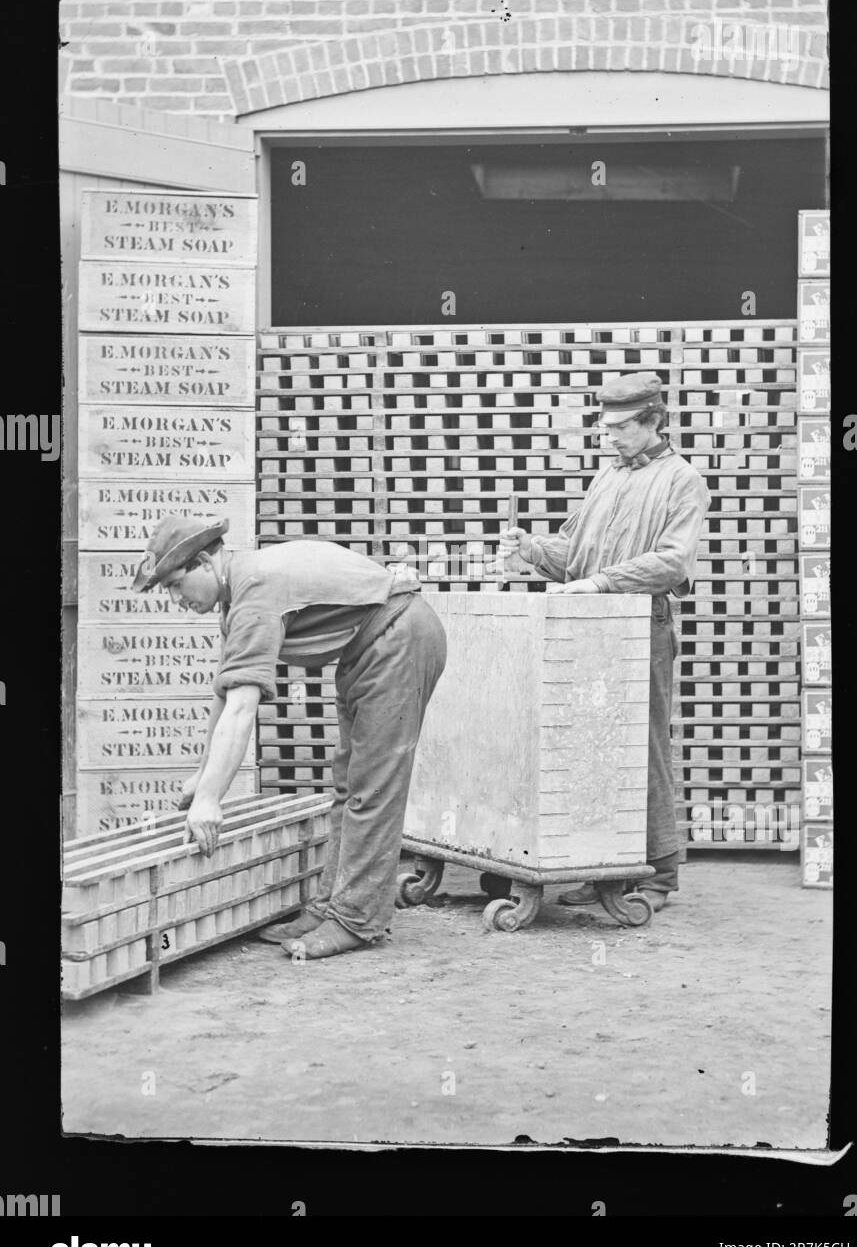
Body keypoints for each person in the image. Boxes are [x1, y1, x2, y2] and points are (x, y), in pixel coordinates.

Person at [131, 517, 446, 960]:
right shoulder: (241, 589)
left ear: (204, 561)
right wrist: (201, 780)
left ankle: (356, 919)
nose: (176, 598)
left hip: (398, 638)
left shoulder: (254, 596)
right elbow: (225, 694)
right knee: (349, 786)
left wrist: (210, 802)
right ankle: (329, 908)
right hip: (373, 644)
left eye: (176, 585)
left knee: (373, 787)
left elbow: (243, 708)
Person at [498, 372, 710, 912]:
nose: (608, 435)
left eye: (618, 426)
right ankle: (604, 868)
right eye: (604, 426)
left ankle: (660, 876)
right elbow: (574, 554)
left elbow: (672, 562)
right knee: (591, 746)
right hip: (590, 627)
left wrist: (602, 581)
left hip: (643, 625)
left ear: (653, 421)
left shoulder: (682, 480)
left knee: (642, 744)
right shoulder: (607, 478)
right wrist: (533, 548)